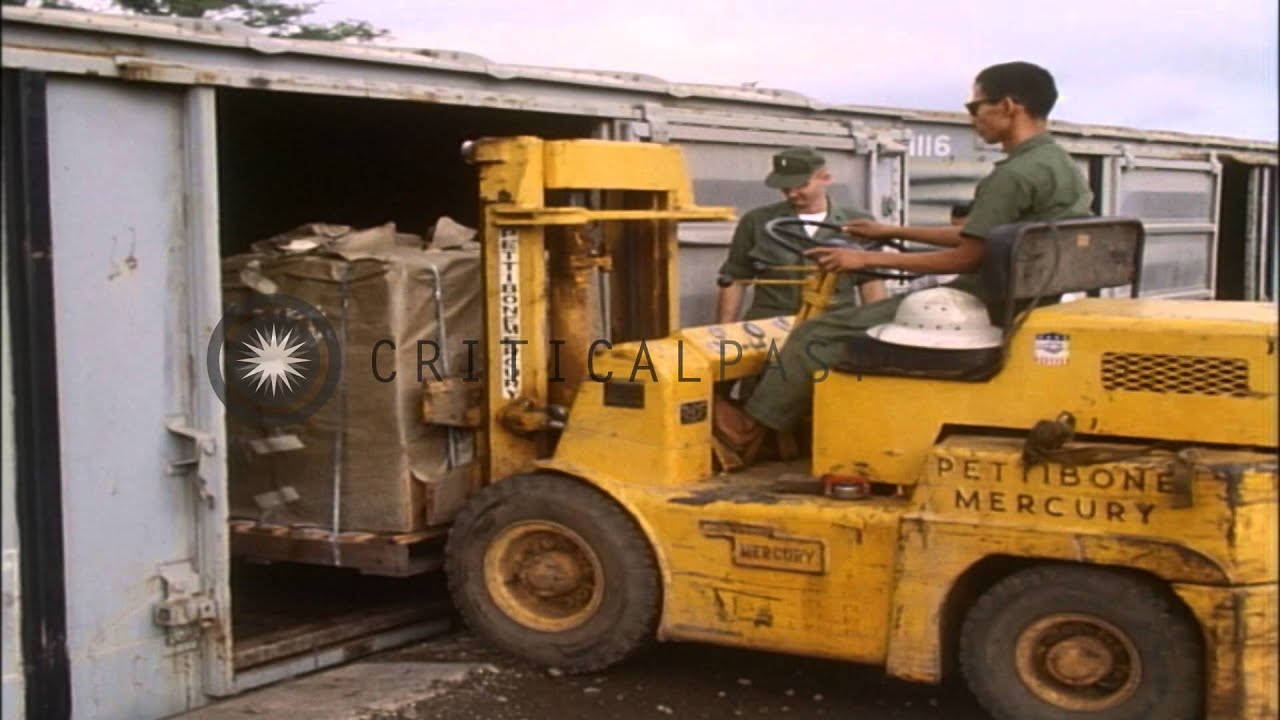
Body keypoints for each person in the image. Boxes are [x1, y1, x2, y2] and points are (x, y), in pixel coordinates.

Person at [714, 61, 1094, 456]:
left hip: (981, 299)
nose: (972, 118)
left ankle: (747, 430)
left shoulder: (1013, 175)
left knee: (815, 334)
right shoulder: (1059, 166)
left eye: (975, 106)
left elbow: (965, 257)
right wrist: (891, 232)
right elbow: (983, 235)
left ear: (1009, 105)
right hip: (1022, 298)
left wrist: (860, 262)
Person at [715, 147, 888, 324]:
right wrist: (723, 334)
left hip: (833, 328)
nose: (792, 193)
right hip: (771, 327)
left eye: (801, 185)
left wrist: (876, 332)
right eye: (785, 187)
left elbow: (871, 283)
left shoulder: (859, 224)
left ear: (825, 178)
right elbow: (735, 279)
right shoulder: (757, 221)